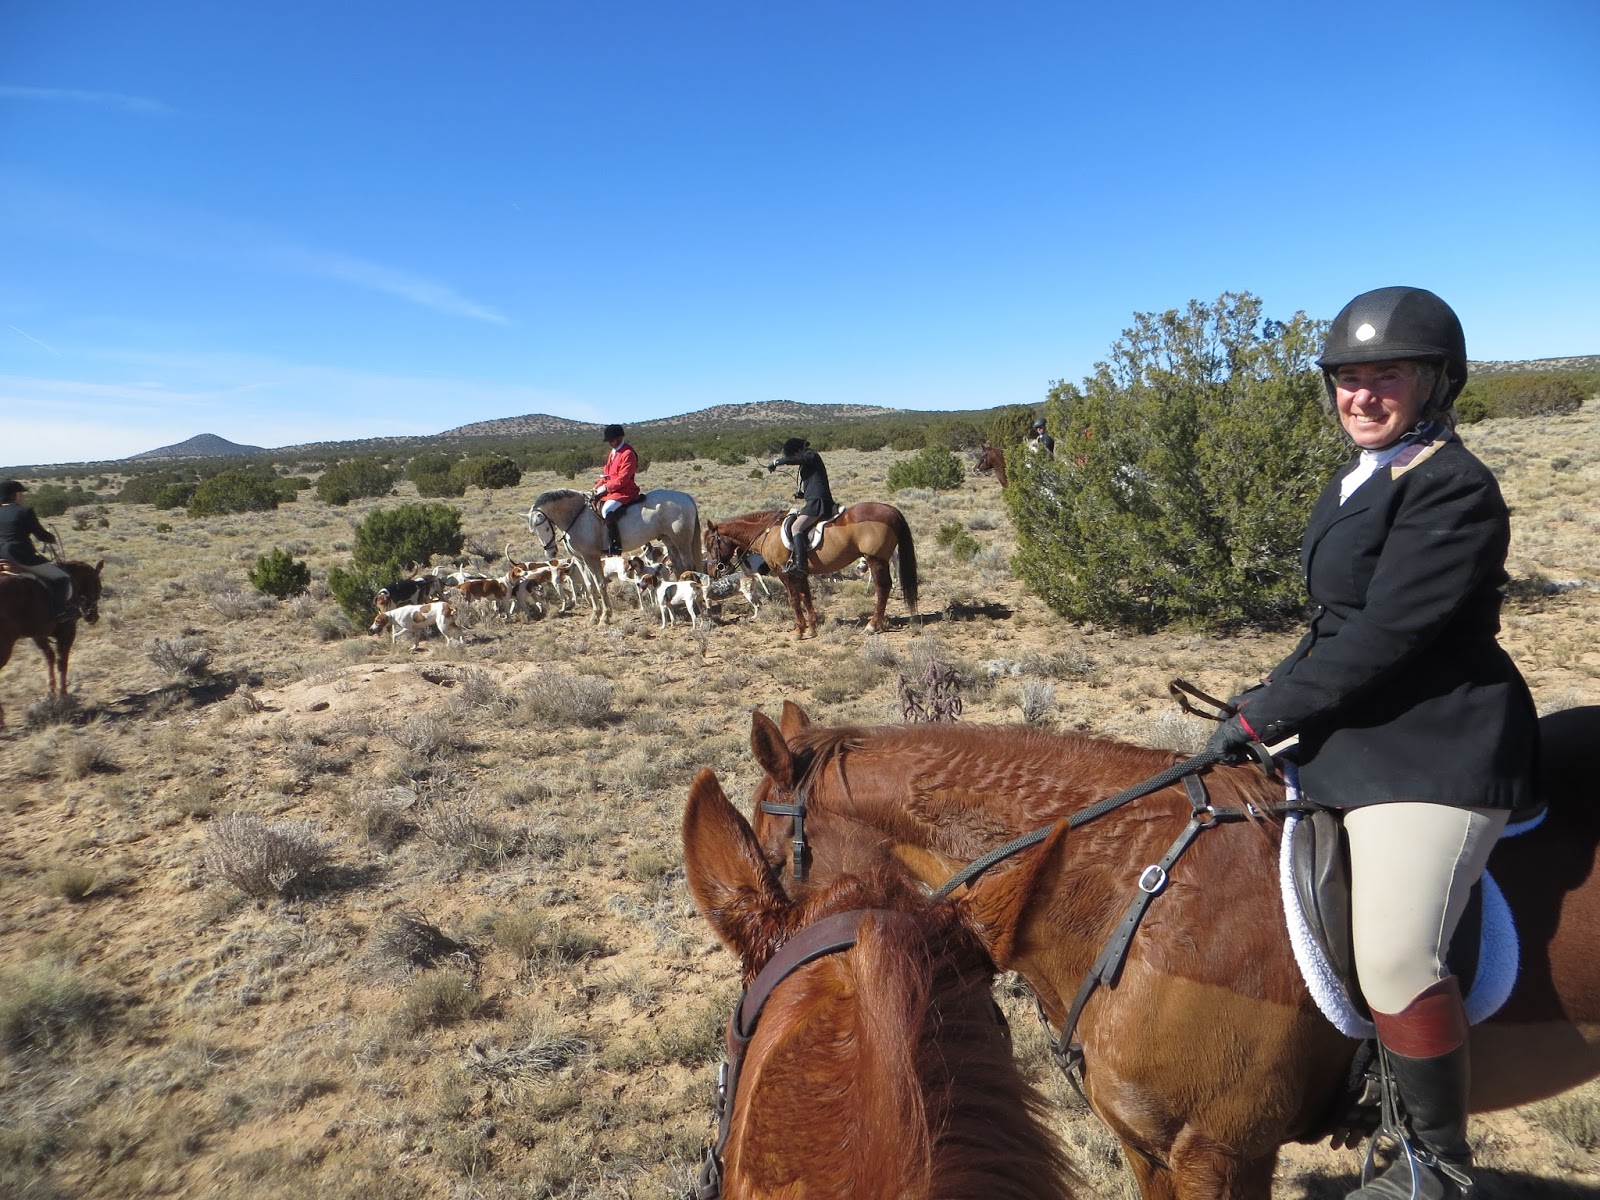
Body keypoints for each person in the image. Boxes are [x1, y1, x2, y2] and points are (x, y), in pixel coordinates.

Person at [1206, 287, 1536, 1200]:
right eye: (1348, 379)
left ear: (1436, 382)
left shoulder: (1454, 487)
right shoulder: (1364, 475)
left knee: (1395, 952)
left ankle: (1436, 1165)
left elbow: (1389, 633)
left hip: (1435, 744)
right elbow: (1334, 625)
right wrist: (1260, 699)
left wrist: (1266, 716)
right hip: (1353, 726)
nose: (1361, 394)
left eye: (1383, 375)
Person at [0, 480, 76, 620]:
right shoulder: (25, 511)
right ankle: (60, 612)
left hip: (1, 557)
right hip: (21, 557)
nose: (23, 496)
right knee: (62, 578)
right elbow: (40, 535)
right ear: (16, 495)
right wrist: (51, 538)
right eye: (22, 494)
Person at [767, 437, 835, 575]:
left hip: (818, 502)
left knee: (796, 527)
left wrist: (777, 462)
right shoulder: (808, 460)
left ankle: (800, 566)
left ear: (798, 451)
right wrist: (803, 494)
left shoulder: (811, 455)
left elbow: (798, 460)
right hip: (814, 499)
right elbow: (816, 482)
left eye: (794, 455)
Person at [592, 424, 641, 554]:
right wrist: (595, 489)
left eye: (612, 440)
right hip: (612, 491)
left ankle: (615, 545)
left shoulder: (628, 453)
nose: (610, 443)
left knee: (607, 509)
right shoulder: (613, 453)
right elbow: (606, 476)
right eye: (609, 441)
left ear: (620, 438)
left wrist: (605, 487)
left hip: (625, 491)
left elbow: (623, 478)